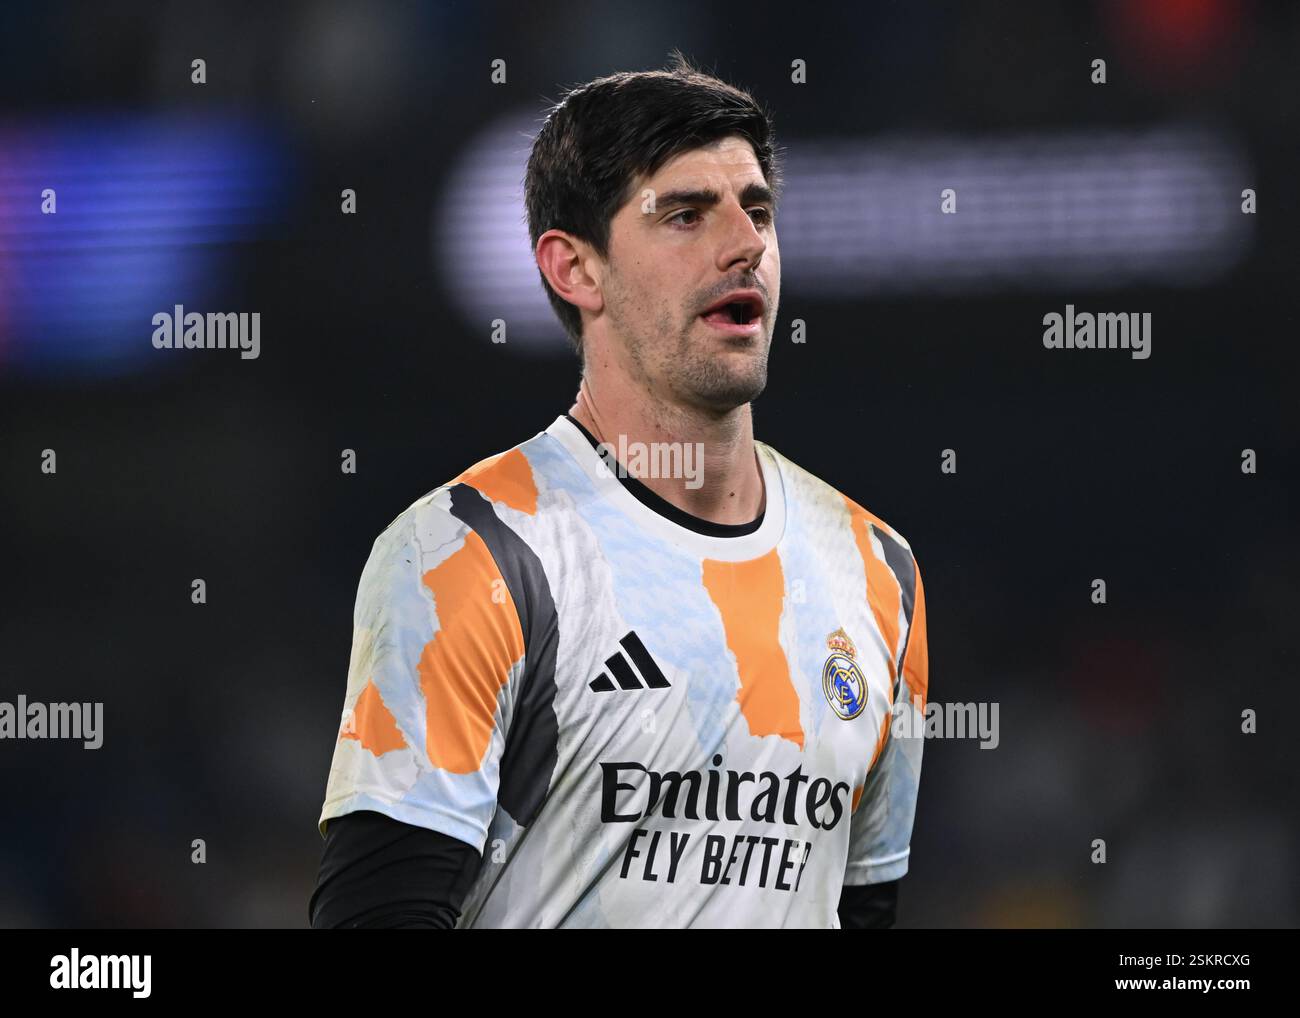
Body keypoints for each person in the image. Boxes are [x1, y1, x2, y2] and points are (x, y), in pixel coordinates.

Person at [310, 51, 928, 929]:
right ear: (575, 270)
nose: (745, 242)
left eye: (757, 211)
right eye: (685, 214)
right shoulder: (470, 554)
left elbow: (862, 910)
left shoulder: (880, 571)